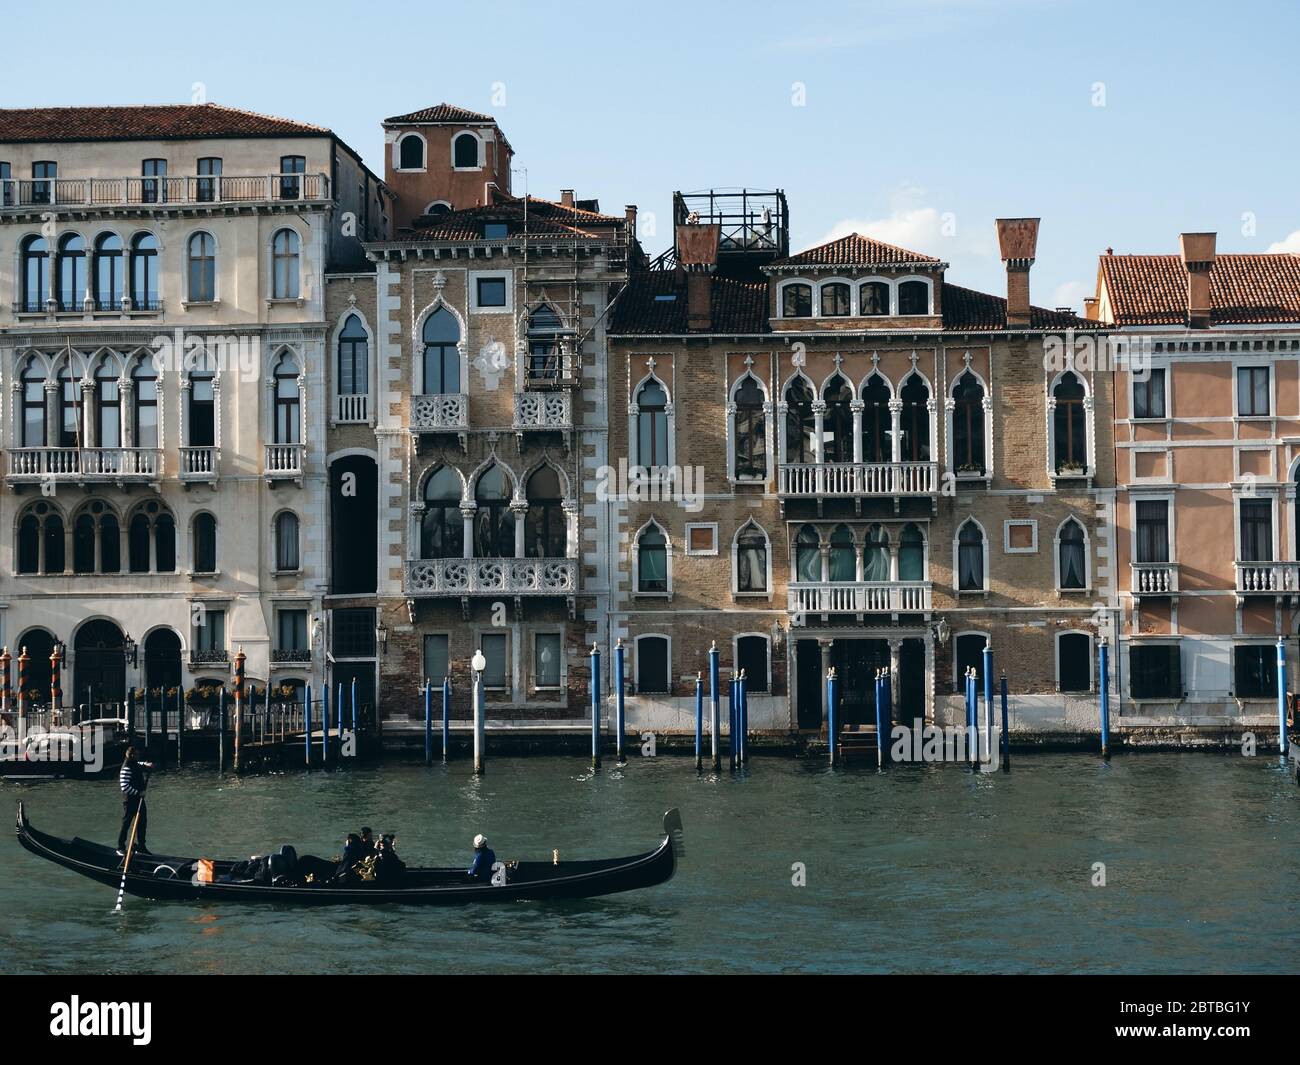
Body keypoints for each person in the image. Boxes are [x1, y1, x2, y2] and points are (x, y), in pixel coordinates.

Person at [117, 746, 153, 857]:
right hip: (130, 801)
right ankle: (120, 847)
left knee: (142, 822)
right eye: (136, 755)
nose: (138, 757)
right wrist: (138, 793)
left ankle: (141, 846)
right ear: (132, 756)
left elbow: (138, 764)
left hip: (139, 800)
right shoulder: (126, 767)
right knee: (126, 823)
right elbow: (124, 787)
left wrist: (145, 765)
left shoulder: (133, 763)